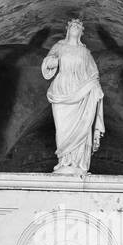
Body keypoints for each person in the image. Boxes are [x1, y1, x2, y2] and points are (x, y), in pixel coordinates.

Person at [41, 19, 105, 174]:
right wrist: (52, 61)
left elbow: (94, 73)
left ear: (81, 32)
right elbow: (47, 65)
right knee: (63, 129)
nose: (75, 28)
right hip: (62, 90)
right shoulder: (59, 47)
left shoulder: (85, 52)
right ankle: (64, 160)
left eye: (78, 27)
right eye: (72, 26)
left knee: (82, 127)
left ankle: (77, 163)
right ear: (68, 29)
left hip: (82, 91)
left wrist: (94, 86)